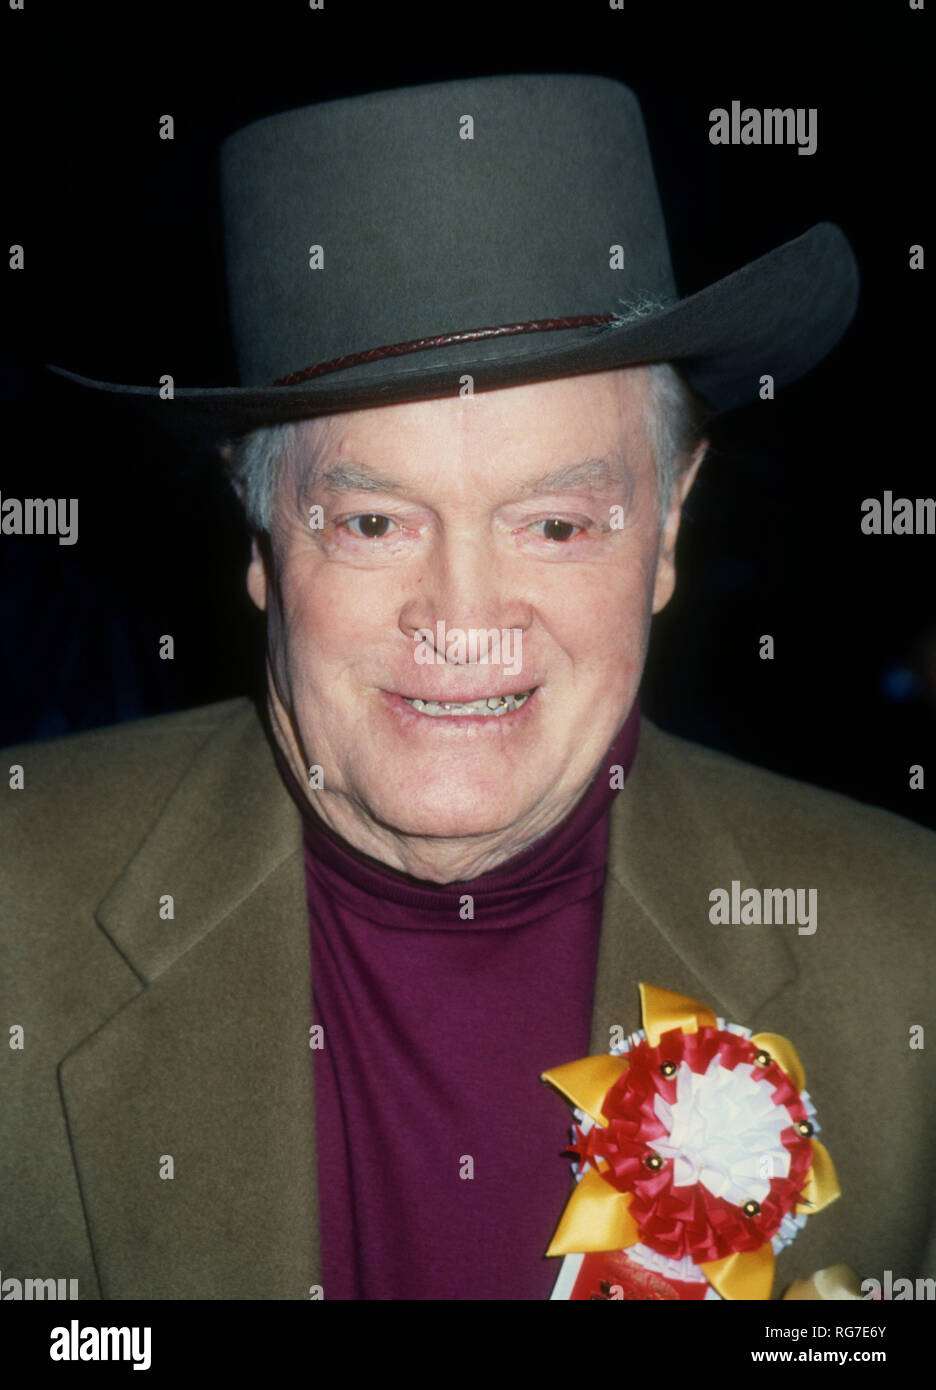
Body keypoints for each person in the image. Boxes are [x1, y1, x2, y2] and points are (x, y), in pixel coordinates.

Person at [2, 73, 933, 1302]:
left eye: (555, 524)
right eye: (377, 520)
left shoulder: (910, 952)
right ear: (263, 528)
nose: (460, 617)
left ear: (667, 528)